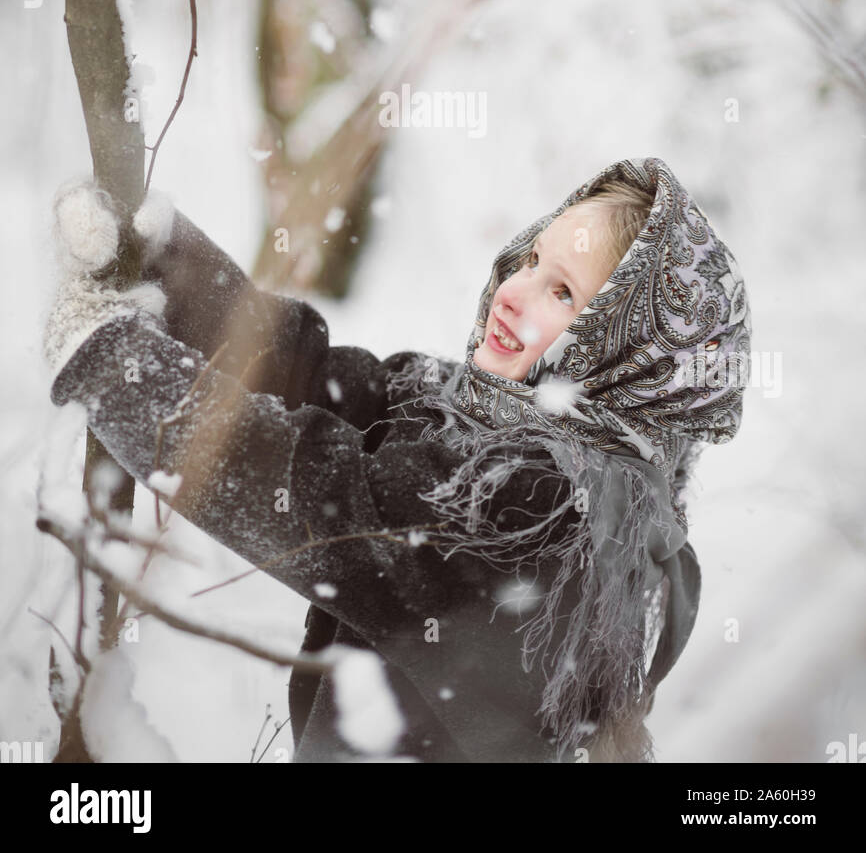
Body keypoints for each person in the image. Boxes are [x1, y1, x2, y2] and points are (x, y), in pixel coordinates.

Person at [43, 154, 751, 763]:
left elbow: (316, 492)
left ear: (620, 351)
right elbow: (320, 386)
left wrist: (116, 366)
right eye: (533, 261)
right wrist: (167, 265)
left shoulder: (544, 506)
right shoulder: (497, 425)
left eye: (562, 293)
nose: (514, 293)